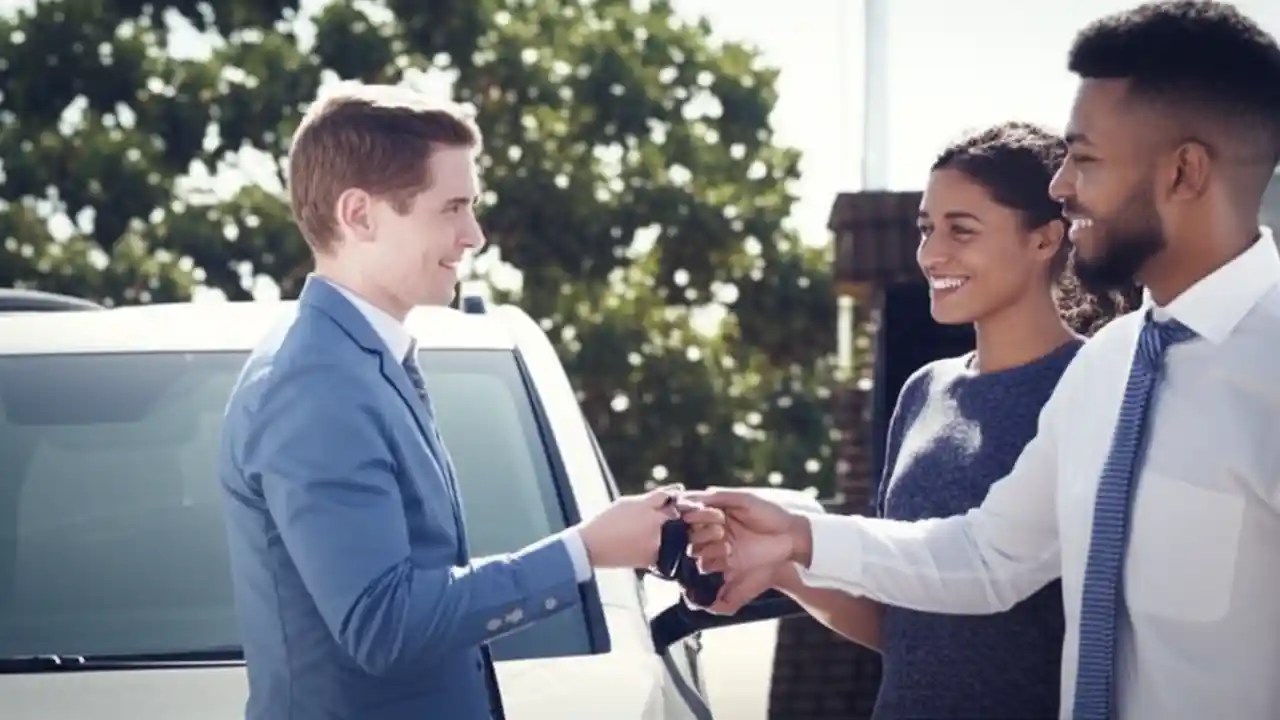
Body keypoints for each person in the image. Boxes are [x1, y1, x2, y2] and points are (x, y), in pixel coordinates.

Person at [685, 2, 1280, 719]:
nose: (1061, 188)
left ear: (1184, 172)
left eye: (1085, 159)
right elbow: (988, 557)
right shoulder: (1109, 370)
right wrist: (801, 539)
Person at [217, 82, 706, 720]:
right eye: (451, 207)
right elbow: (384, 626)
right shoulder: (314, 385)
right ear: (359, 215)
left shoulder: (359, 363)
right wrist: (586, 550)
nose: (473, 234)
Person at [760, 121, 1124, 719]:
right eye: (927, 229)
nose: (931, 254)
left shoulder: (1095, 387)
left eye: (962, 230)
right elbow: (901, 620)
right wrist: (783, 567)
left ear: (1044, 240)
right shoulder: (924, 391)